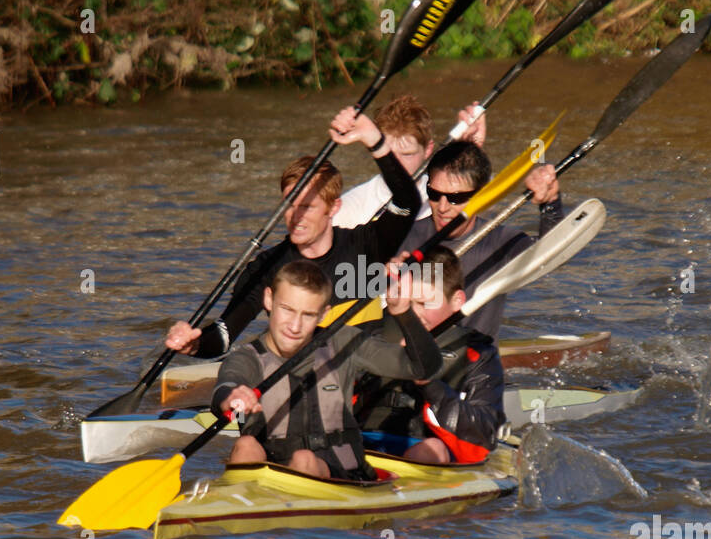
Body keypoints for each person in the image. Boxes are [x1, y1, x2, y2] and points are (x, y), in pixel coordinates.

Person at [164, 106, 421, 359]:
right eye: (290, 204)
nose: (295, 216)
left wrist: (373, 140)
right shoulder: (267, 268)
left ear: (334, 208)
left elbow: (408, 201)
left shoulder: (366, 246)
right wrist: (195, 344)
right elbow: (223, 336)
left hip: (366, 372)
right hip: (304, 379)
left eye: (307, 206)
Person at [210, 259, 441, 480]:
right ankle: (244, 507)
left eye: (308, 315)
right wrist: (230, 399)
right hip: (269, 472)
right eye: (287, 309)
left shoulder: (343, 342)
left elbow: (423, 368)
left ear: (323, 314)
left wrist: (403, 313)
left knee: (303, 460)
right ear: (269, 300)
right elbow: (226, 387)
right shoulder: (247, 358)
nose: (295, 326)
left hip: (342, 474)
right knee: (245, 446)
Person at [355, 246, 504, 464]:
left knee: (430, 449)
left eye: (425, 303)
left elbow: (485, 434)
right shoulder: (374, 334)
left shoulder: (478, 353)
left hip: (426, 451)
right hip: (363, 440)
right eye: (410, 303)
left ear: (457, 301)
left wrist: (430, 384)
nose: (414, 313)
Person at [399, 139, 561, 341]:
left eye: (456, 198)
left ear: (481, 195)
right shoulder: (403, 236)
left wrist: (550, 204)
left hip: (475, 362)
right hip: (407, 352)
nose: (442, 207)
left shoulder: (501, 241)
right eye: (434, 194)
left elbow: (551, 256)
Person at [331, 96, 487, 229]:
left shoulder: (447, 196)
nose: (396, 165)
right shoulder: (350, 209)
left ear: (428, 150)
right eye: (388, 155)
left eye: (407, 154)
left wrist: (472, 146)